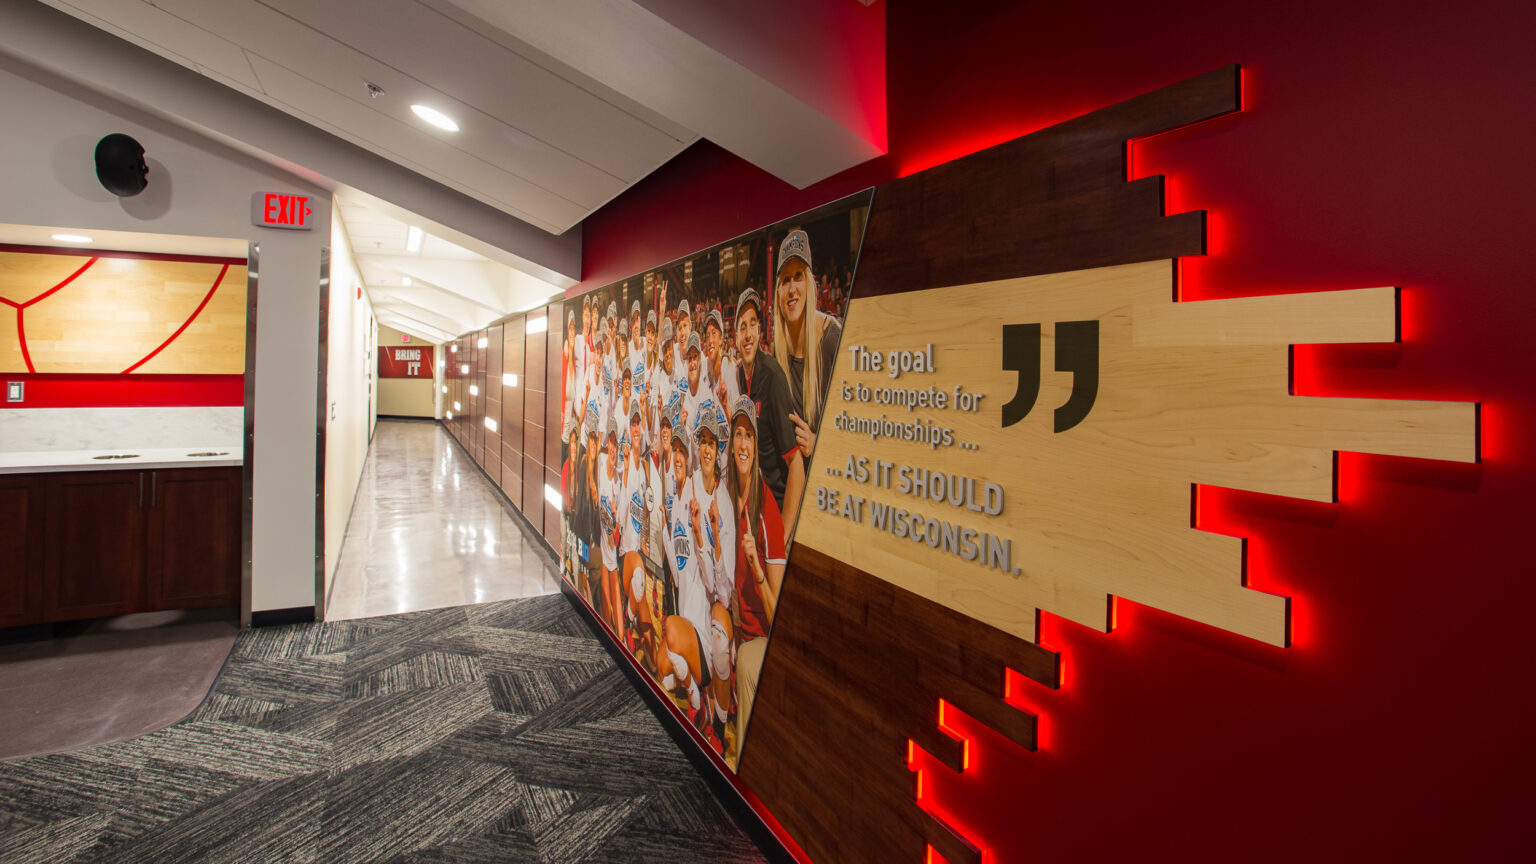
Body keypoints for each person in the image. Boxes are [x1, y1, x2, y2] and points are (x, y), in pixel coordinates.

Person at [726, 394, 786, 740]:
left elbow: (777, 615)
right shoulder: (727, 496)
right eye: (738, 434)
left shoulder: (767, 515)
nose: (743, 442)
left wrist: (758, 570)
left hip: (762, 641)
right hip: (740, 633)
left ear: (756, 444)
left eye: (749, 435)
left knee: (748, 658)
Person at [734, 286, 806, 534]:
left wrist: (782, 538)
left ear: (759, 331)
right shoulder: (739, 379)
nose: (748, 334)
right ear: (736, 337)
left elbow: (796, 464)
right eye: (742, 327)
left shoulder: (773, 377)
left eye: (752, 324)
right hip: (756, 513)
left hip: (775, 509)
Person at [772, 228, 842, 466]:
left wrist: (818, 442)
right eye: (785, 280)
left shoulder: (832, 338)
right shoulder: (777, 355)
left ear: (809, 283)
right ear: (778, 292)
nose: (792, 289)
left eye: (798, 276)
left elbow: (859, 425)